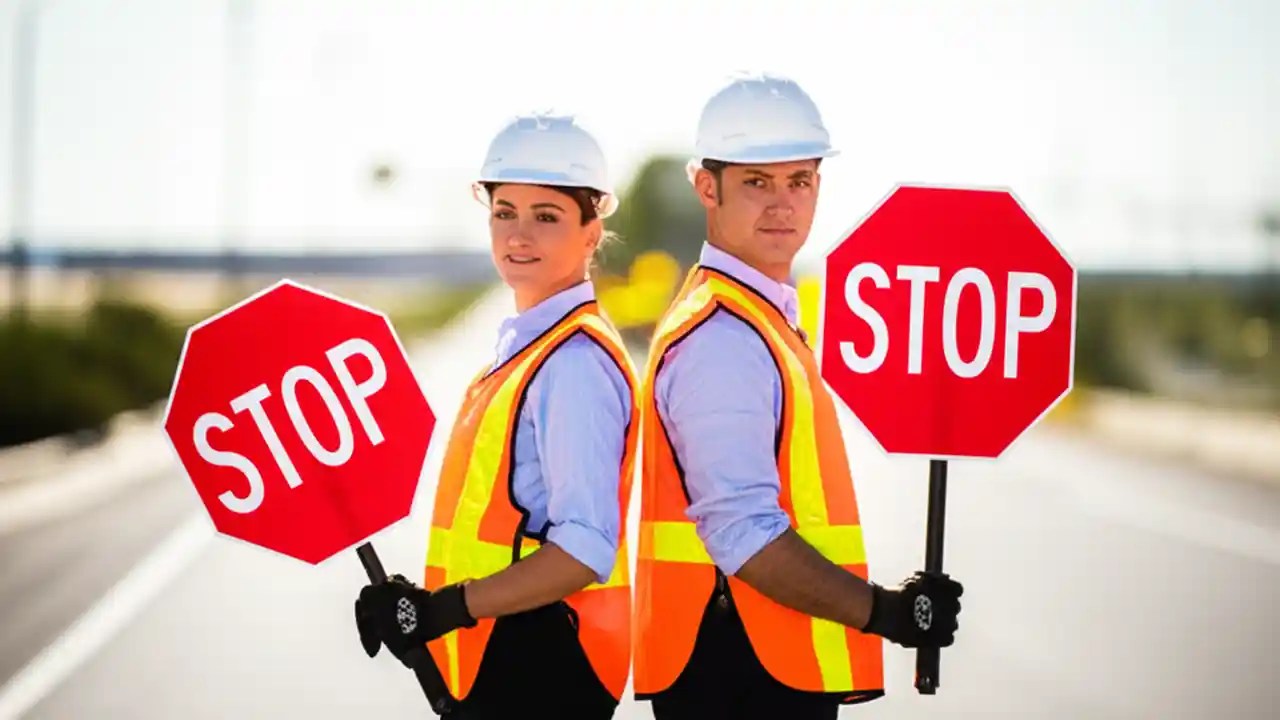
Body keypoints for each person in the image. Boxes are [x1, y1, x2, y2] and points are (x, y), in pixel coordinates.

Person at [632, 73, 965, 719]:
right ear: (707, 186)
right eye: (757, 182)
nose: (782, 204)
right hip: (738, 672)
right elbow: (741, 532)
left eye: (800, 181)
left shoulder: (762, 318)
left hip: (757, 663)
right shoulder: (723, 337)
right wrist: (885, 612)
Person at [354, 113, 637, 720]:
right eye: (504, 211)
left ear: (593, 231)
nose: (518, 235)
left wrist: (445, 610)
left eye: (546, 216)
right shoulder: (529, 348)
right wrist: (422, 609)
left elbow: (585, 548)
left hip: (545, 660)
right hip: (504, 650)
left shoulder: (575, 364)